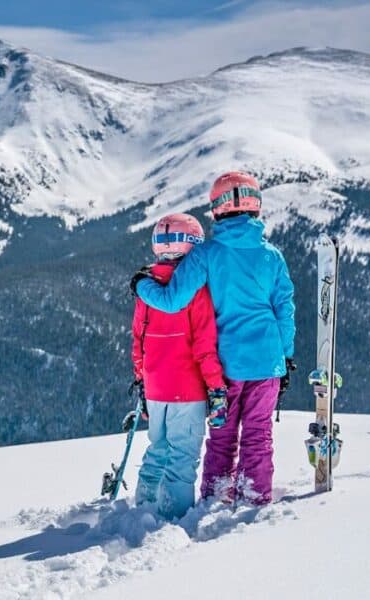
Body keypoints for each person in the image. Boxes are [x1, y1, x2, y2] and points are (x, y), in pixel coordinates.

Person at [134, 171, 296, 505]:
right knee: (258, 435)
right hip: (268, 362)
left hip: (227, 364)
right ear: (256, 207)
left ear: (216, 209)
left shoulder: (206, 254)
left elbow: (174, 300)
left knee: (223, 438)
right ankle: (255, 495)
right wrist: (287, 357)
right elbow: (284, 310)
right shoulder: (272, 256)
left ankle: (215, 496)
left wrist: (141, 284)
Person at [128, 213, 226, 520]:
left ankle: (143, 508)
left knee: (158, 448)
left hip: (156, 388)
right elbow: (205, 347)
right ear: (193, 246)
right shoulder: (196, 290)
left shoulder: (146, 288)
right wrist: (216, 388)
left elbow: (138, 340)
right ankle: (173, 516)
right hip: (188, 389)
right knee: (182, 457)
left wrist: (142, 381)